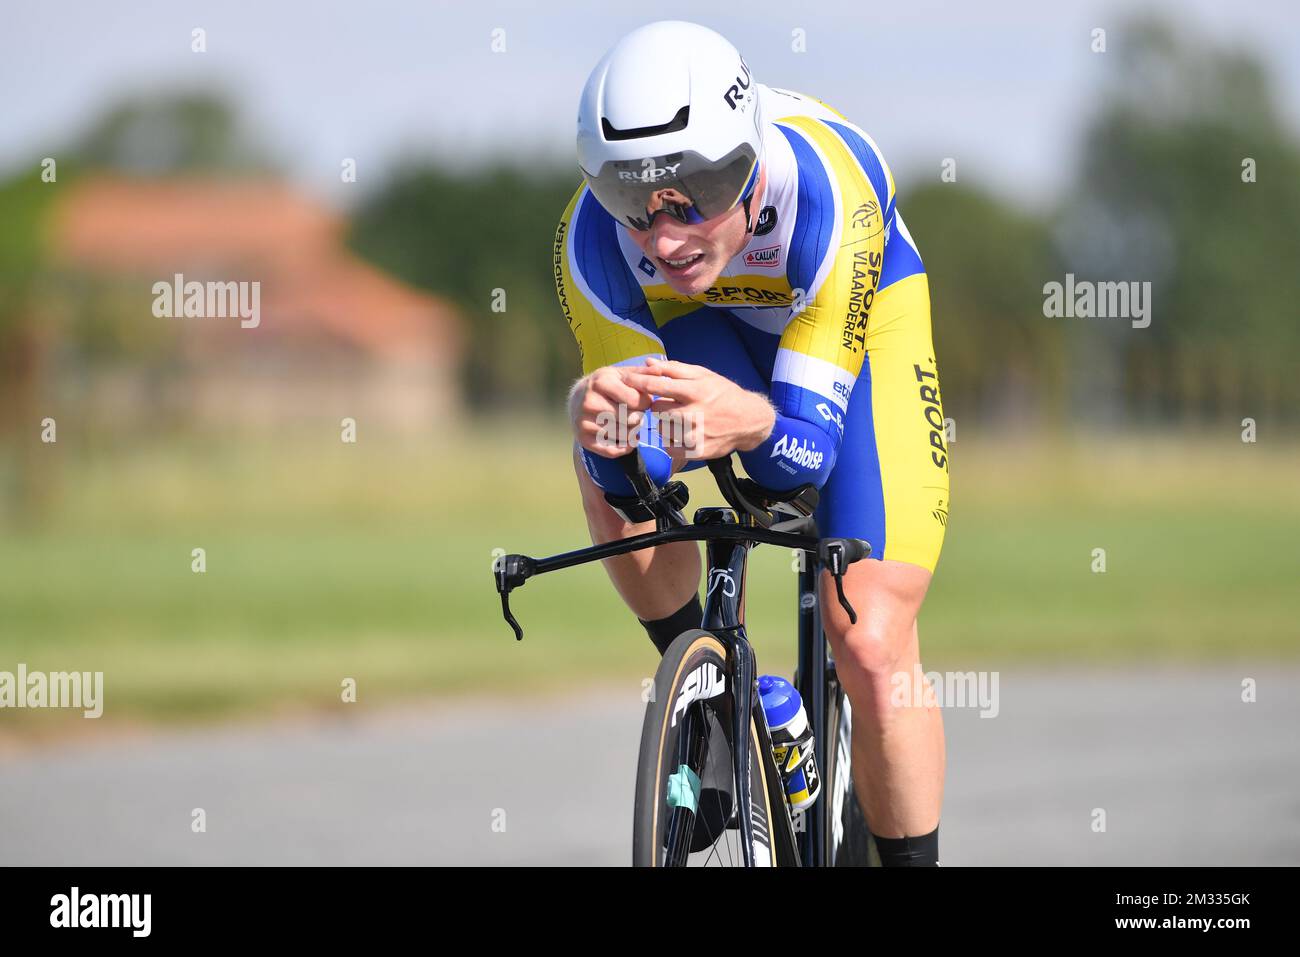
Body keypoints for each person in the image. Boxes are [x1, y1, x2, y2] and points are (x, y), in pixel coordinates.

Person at [553, 20, 949, 867]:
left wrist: (759, 420)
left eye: (693, 190)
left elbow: (804, 455)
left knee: (872, 643)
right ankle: (708, 717)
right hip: (705, 330)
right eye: (633, 198)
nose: (663, 235)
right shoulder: (590, 241)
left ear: (743, 159)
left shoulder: (827, 195)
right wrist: (610, 436)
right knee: (602, 426)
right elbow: (624, 459)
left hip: (858, 324)